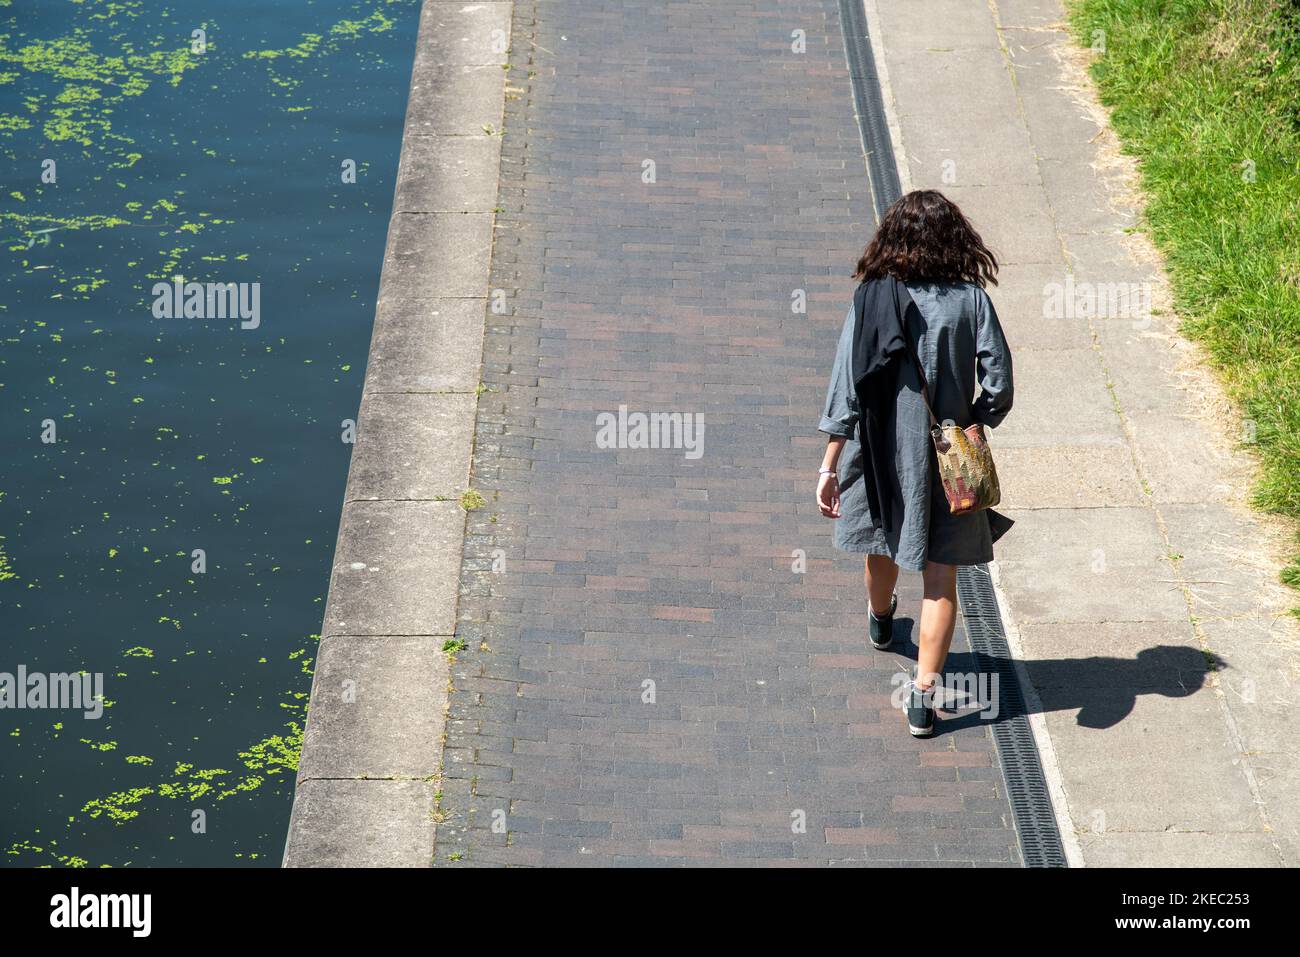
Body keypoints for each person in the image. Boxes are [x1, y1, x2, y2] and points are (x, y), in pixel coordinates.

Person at [816, 190, 1014, 737]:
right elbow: (999, 386)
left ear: (893, 237)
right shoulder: (972, 301)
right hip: (949, 460)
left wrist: (829, 465)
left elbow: (845, 389)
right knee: (940, 576)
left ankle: (882, 621)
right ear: (956, 239)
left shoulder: (872, 298)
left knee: (879, 543)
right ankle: (924, 697)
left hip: (879, 450)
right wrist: (972, 423)